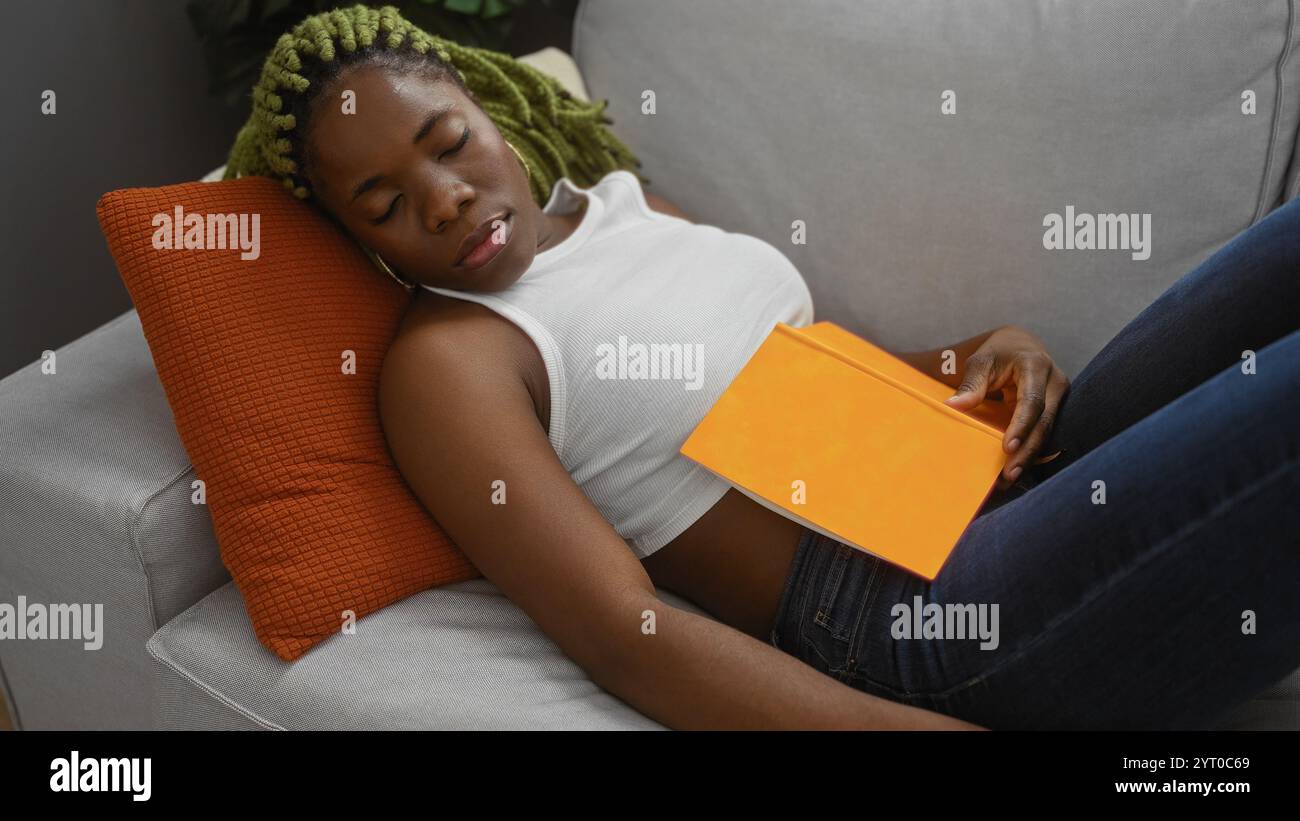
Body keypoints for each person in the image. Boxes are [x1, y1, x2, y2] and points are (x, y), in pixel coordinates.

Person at [224, 4, 1300, 730]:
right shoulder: (450, 362)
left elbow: (807, 383)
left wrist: (978, 353)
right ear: (359, 238)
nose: (443, 197)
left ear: (484, 106)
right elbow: (624, 634)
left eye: (446, 142)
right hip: (919, 616)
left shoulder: (625, 210)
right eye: (382, 203)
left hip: (985, 473)